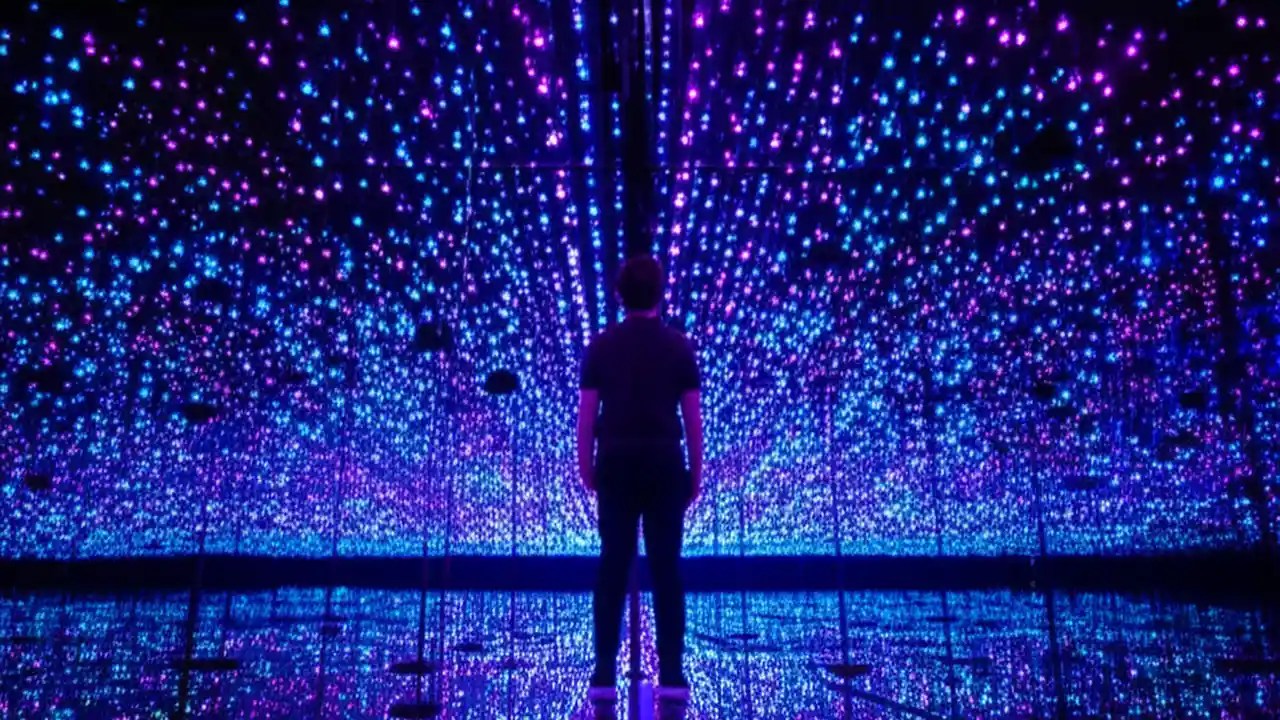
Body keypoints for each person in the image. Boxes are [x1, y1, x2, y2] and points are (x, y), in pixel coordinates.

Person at [578, 254, 703, 702]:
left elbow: (588, 413)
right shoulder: (678, 347)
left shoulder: (601, 346)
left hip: (615, 462)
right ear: (660, 292)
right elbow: (692, 417)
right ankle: (671, 675)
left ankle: (603, 675)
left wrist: (585, 464)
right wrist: (696, 471)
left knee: (612, 565)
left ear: (619, 294)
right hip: (665, 463)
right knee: (667, 569)